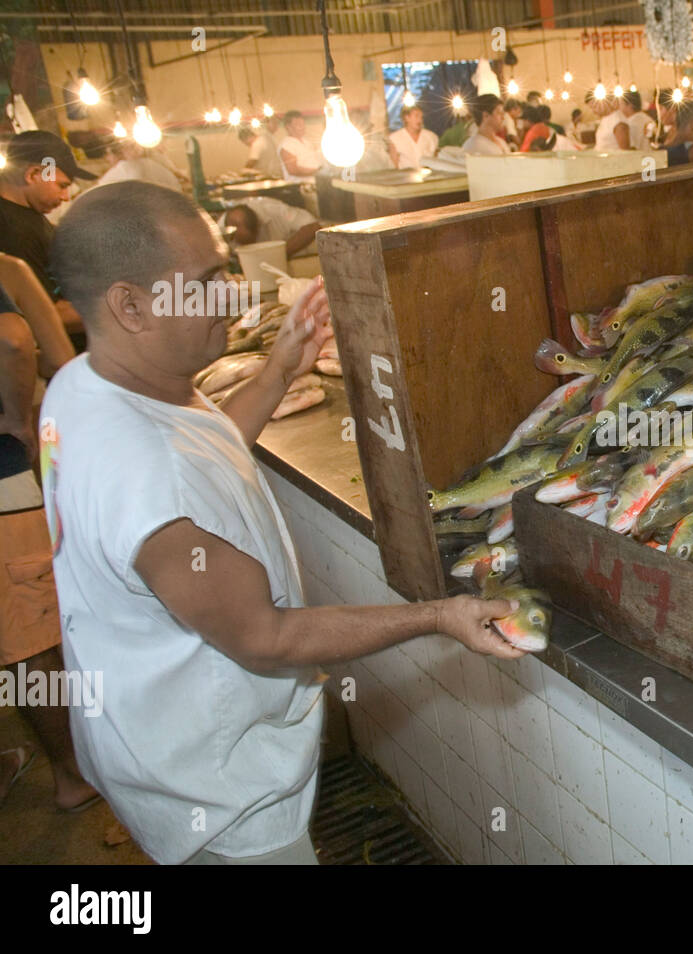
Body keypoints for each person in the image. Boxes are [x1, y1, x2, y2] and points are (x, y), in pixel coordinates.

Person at [39, 182, 524, 864]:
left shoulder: (84, 385)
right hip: (217, 796)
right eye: (208, 282)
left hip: (145, 737)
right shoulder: (142, 467)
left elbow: (199, 458)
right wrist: (439, 617)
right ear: (130, 305)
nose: (233, 295)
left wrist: (276, 371)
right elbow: (265, 637)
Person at [0, 252, 91, 814]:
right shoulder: (8, 269)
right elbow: (23, 344)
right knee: (31, 639)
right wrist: (16, 416)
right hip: (7, 481)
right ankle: (74, 773)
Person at [0, 131, 95, 333]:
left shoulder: (28, 213)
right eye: (62, 186)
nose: (66, 197)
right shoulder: (12, 230)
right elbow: (45, 314)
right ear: (34, 174)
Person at [221, 197, 322, 259]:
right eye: (244, 243)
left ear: (258, 227)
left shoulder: (274, 210)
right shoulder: (217, 233)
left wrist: (279, 254)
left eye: (252, 241)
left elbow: (313, 227)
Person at [95, 139, 182, 193]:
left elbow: (99, 189)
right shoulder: (148, 163)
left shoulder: (126, 167)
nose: (107, 159)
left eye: (107, 155)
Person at [387, 105, 438, 170]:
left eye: (421, 117)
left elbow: (436, 160)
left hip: (428, 177)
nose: (420, 120)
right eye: (416, 116)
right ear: (406, 118)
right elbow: (394, 165)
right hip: (405, 177)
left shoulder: (431, 137)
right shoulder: (395, 138)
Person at [278, 111, 322, 183]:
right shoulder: (286, 145)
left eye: (303, 124)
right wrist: (318, 172)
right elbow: (293, 170)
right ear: (288, 127)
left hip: (315, 183)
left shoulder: (307, 142)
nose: (303, 127)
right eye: (298, 124)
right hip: (299, 187)